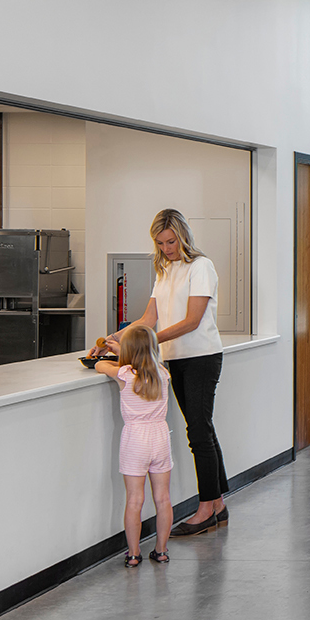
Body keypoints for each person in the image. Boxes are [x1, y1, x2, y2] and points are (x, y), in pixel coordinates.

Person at [93, 209, 227, 536]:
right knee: (201, 428)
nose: (166, 248)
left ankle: (207, 508)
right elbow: (149, 317)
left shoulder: (201, 267)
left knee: (197, 431)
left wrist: (144, 342)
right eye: (160, 242)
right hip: (175, 358)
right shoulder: (165, 269)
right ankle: (219, 504)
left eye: (171, 241)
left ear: (183, 236)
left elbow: (192, 320)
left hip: (201, 356)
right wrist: (118, 337)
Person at [91, 324, 173, 567]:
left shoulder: (125, 374)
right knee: (163, 499)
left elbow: (99, 365)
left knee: (135, 500)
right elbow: (142, 360)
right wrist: (125, 351)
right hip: (160, 436)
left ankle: (134, 554)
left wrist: (116, 354)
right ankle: (161, 551)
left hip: (135, 439)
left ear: (127, 352)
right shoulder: (162, 372)